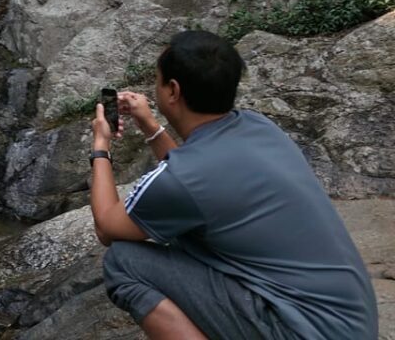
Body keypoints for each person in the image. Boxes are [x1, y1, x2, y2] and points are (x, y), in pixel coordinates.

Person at [89, 30, 378, 339]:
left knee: (124, 262)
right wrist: (150, 126)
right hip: (351, 322)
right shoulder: (258, 126)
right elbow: (197, 182)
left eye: (157, 80)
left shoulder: (185, 178)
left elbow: (107, 227)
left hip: (301, 330)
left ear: (173, 91)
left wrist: (101, 145)